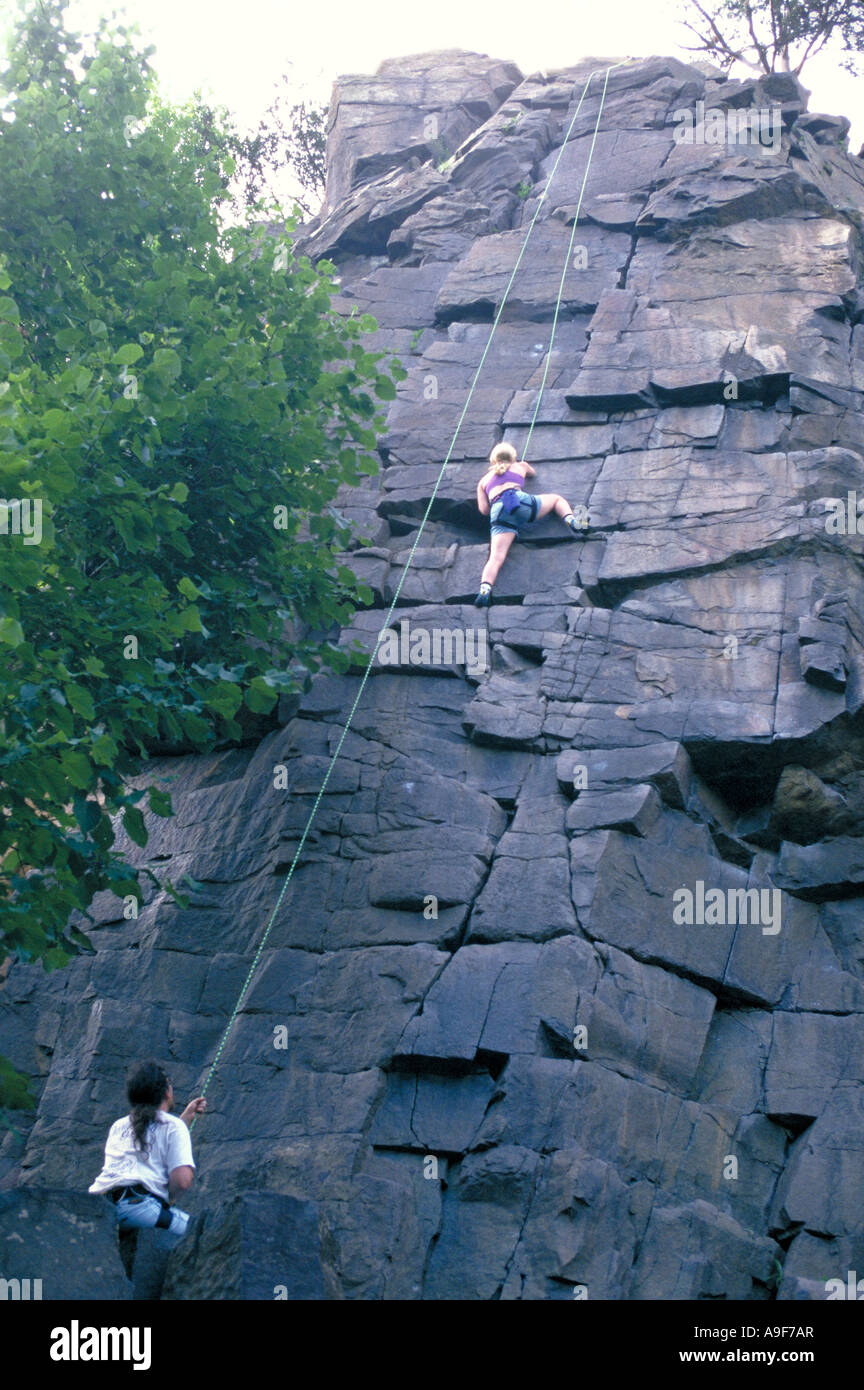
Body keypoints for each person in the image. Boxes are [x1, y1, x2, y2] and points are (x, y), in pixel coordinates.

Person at [89, 1060, 206, 1237]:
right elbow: (182, 1181)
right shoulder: (173, 1126)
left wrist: (185, 1119)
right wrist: (170, 1198)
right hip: (139, 1207)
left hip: (99, 1208)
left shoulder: (118, 1126)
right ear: (166, 1092)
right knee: (200, 1235)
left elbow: (149, 1145)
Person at [474, 441, 588, 607]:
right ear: (512, 456)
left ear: (493, 459)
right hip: (521, 502)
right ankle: (572, 520)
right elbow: (532, 474)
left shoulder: (483, 481)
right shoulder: (521, 466)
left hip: (499, 512)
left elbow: (484, 510)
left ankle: (484, 590)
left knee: (496, 557)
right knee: (556, 499)